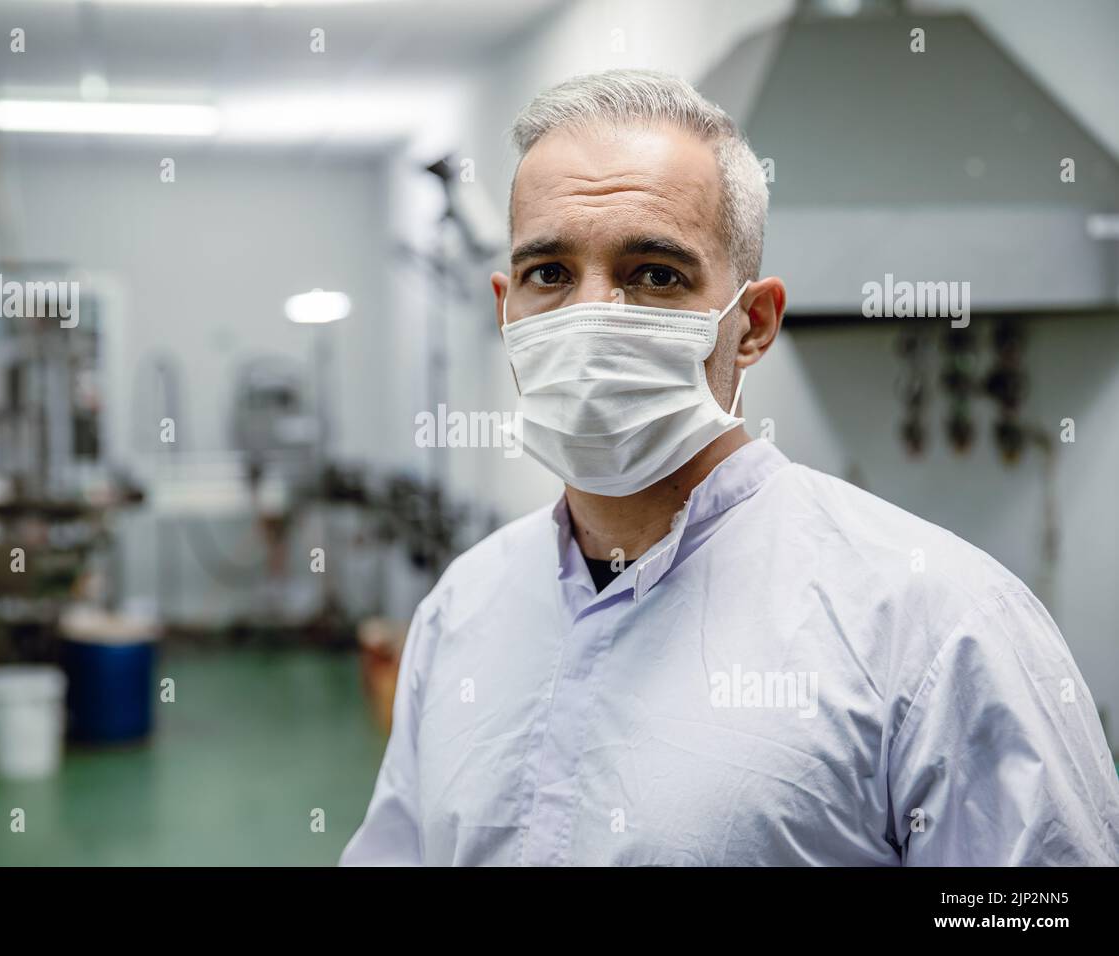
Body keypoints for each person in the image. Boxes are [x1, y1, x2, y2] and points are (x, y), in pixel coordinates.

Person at [340, 69, 1119, 866]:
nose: (593, 317)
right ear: (507, 309)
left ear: (750, 324)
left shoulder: (937, 627)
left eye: (654, 275)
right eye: (551, 274)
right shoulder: (462, 612)